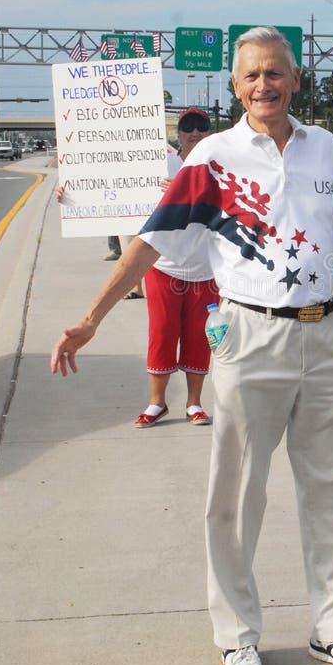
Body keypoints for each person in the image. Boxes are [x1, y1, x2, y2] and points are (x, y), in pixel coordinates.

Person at [51, 26, 333, 665]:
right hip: (247, 334)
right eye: (250, 77)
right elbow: (151, 242)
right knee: (237, 495)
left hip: (328, 334)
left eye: (274, 73)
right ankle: (237, 637)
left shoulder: (325, 149)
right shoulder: (211, 156)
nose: (263, 85)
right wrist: (91, 317)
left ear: (295, 80)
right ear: (236, 87)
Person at [135, 107, 218, 428]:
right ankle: (157, 402)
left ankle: (194, 403)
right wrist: (72, 198)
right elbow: (116, 191)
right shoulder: (161, 161)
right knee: (162, 332)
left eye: (201, 126)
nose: (195, 132)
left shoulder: (220, 165)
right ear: (179, 132)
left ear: (209, 131)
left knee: (200, 336)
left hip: (205, 268)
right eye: (188, 126)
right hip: (162, 264)